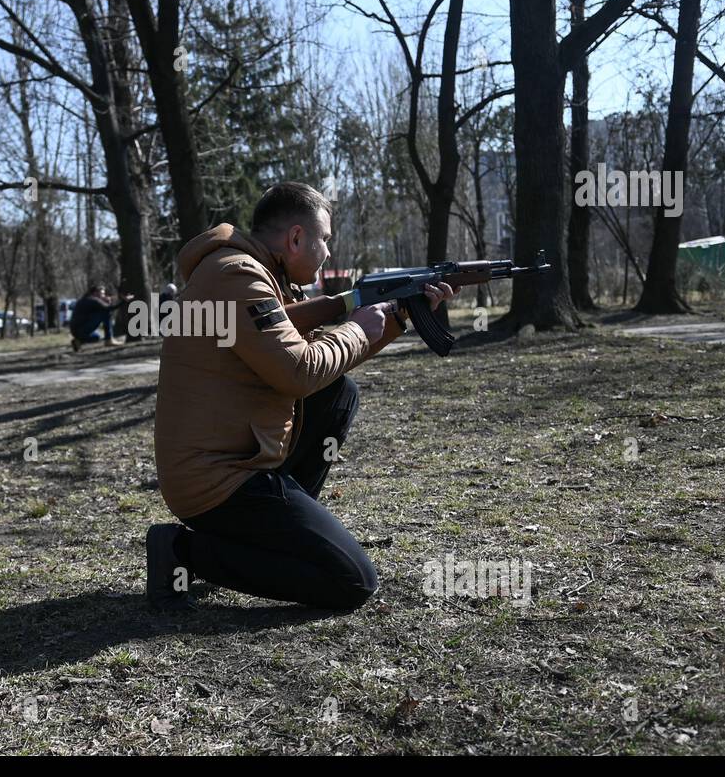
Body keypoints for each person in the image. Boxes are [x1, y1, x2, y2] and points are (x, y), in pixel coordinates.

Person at [148, 182, 458, 611]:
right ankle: (182, 551)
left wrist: (398, 315)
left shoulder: (261, 276)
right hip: (215, 482)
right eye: (324, 239)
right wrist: (357, 327)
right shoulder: (236, 275)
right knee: (351, 581)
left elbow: (318, 368)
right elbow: (298, 371)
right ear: (296, 237)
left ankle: (273, 537)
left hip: (239, 460)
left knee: (337, 393)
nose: (328, 251)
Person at [68, 283, 132, 352]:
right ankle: (109, 340)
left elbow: (102, 308)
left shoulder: (86, 299)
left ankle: (78, 341)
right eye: (102, 293)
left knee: (96, 337)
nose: (103, 295)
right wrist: (124, 301)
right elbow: (108, 308)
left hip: (75, 331)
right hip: (81, 329)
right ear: (95, 293)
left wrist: (107, 302)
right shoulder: (93, 300)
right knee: (106, 313)